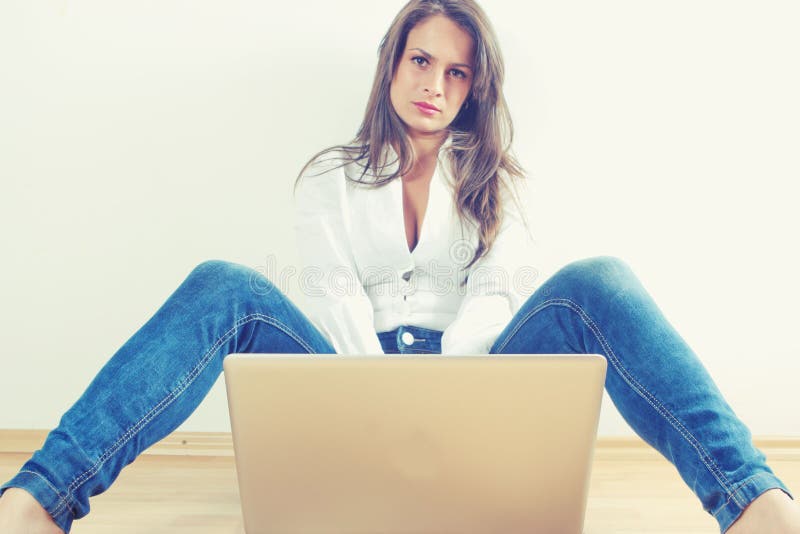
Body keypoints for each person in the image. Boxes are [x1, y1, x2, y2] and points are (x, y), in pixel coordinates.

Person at [0, 0, 797, 532]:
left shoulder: (496, 181)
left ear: (473, 90)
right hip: (348, 374)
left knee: (601, 281)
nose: (435, 85)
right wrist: (377, 399)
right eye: (422, 62)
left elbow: (494, 294)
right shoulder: (331, 176)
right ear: (392, 65)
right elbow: (337, 294)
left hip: (476, 377)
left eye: (456, 73)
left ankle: (753, 501)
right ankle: (40, 499)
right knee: (223, 286)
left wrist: (443, 393)